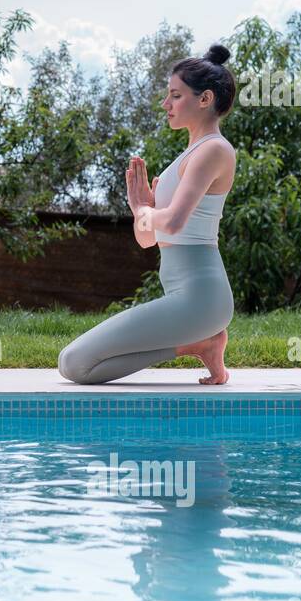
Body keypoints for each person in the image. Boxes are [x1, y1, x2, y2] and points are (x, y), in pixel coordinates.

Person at [59, 44, 238, 385]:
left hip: (202, 301)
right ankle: (202, 343)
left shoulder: (214, 150)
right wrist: (139, 210)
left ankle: (198, 343)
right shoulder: (187, 157)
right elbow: (148, 239)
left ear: (205, 99)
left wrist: (146, 210)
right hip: (184, 298)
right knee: (75, 364)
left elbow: (172, 222)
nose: (165, 104)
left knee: (74, 364)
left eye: (175, 95)